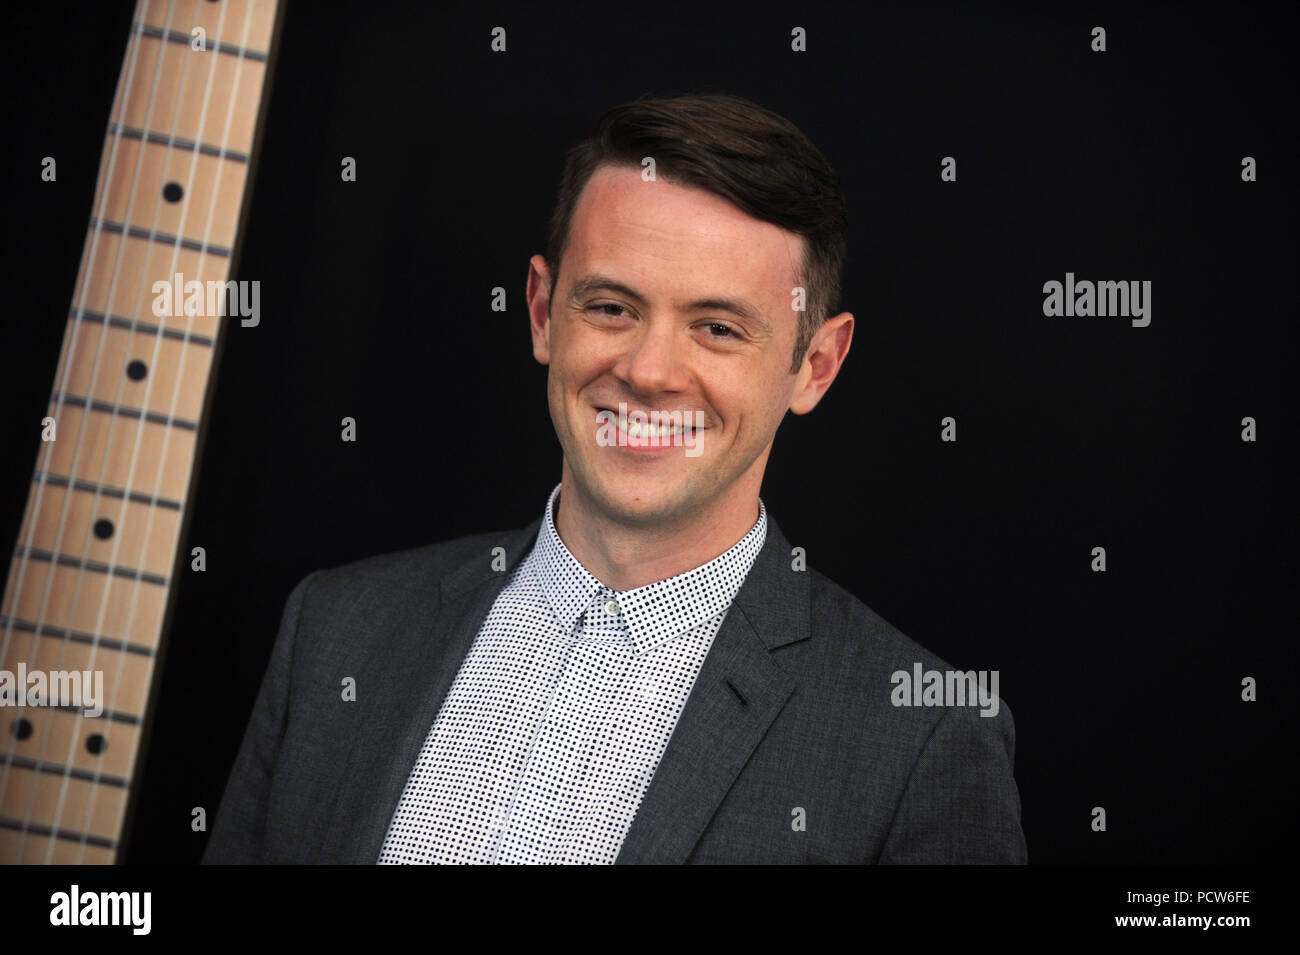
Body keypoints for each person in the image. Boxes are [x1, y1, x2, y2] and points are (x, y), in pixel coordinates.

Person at [203, 92, 1028, 864]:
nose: (648, 370)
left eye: (718, 327)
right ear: (541, 311)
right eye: (611, 308)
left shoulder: (924, 739)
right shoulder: (334, 630)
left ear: (815, 365)